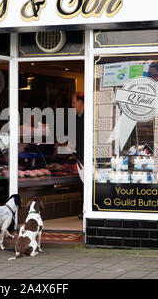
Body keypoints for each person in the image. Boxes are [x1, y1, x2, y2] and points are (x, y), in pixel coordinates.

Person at [72, 91, 84, 219]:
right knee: (83, 183)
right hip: (80, 155)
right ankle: (83, 209)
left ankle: (85, 209)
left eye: (73, 102)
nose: (72, 105)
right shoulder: (77, 117)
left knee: (87, 183)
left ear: (80, 102)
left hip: (88, 156)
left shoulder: (87, 116)